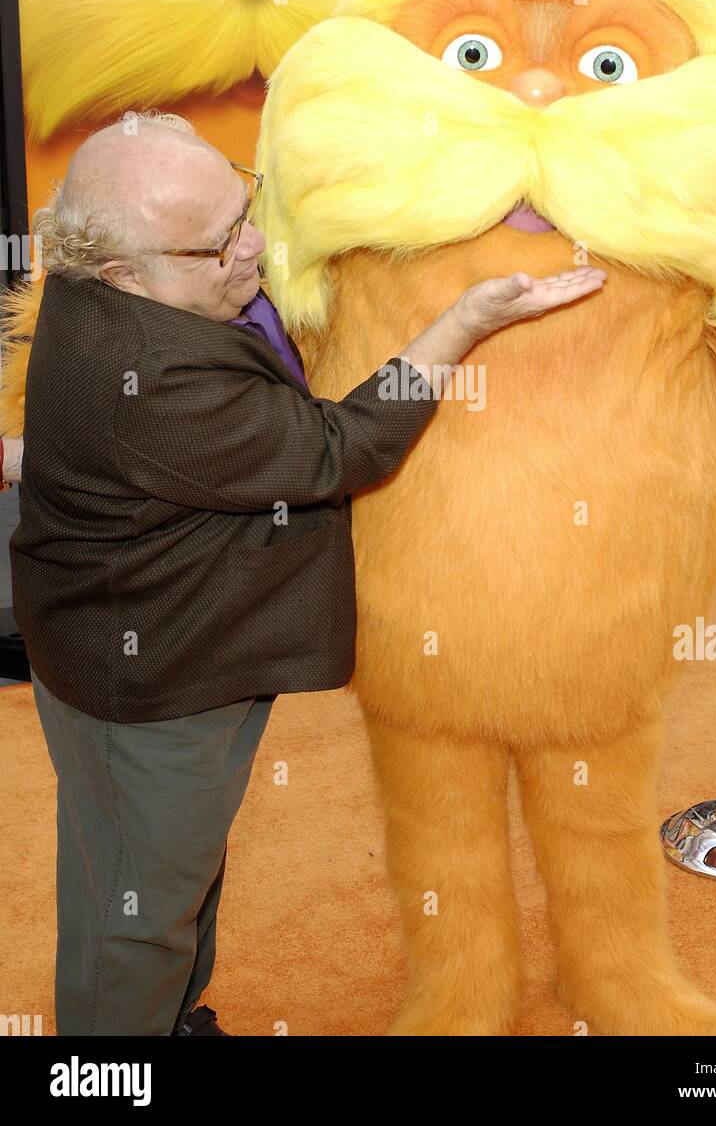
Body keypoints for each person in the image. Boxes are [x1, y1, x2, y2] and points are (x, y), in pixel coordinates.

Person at [8, 111, 607, 1036]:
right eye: (217, 246)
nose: (250, 245)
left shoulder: (94, 287)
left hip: (134, 643)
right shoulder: (157, 376)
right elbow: (342, 447)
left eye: (240, 205)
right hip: (156, 680)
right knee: (139, 916)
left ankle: (167, 1024)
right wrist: (461, 322)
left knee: (151, 874)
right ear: (124, 272)